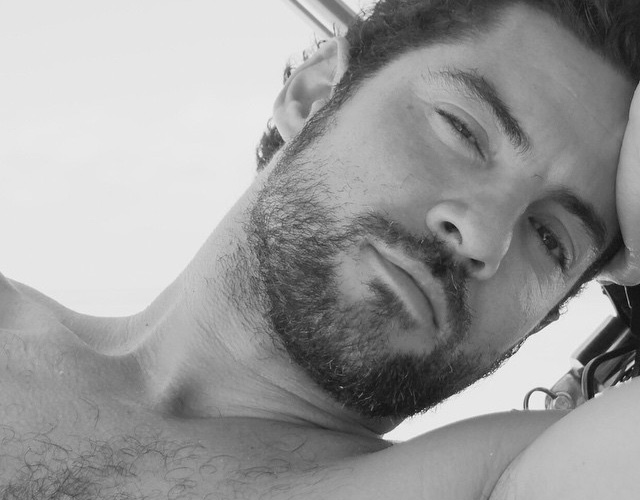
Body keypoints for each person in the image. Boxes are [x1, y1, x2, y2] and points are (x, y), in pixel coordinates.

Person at [2, 0, 640, 498]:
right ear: (313, 96)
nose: (482, 235)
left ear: (548, 314)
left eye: (550, 239)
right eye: (462, 130)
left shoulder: (505, 480)